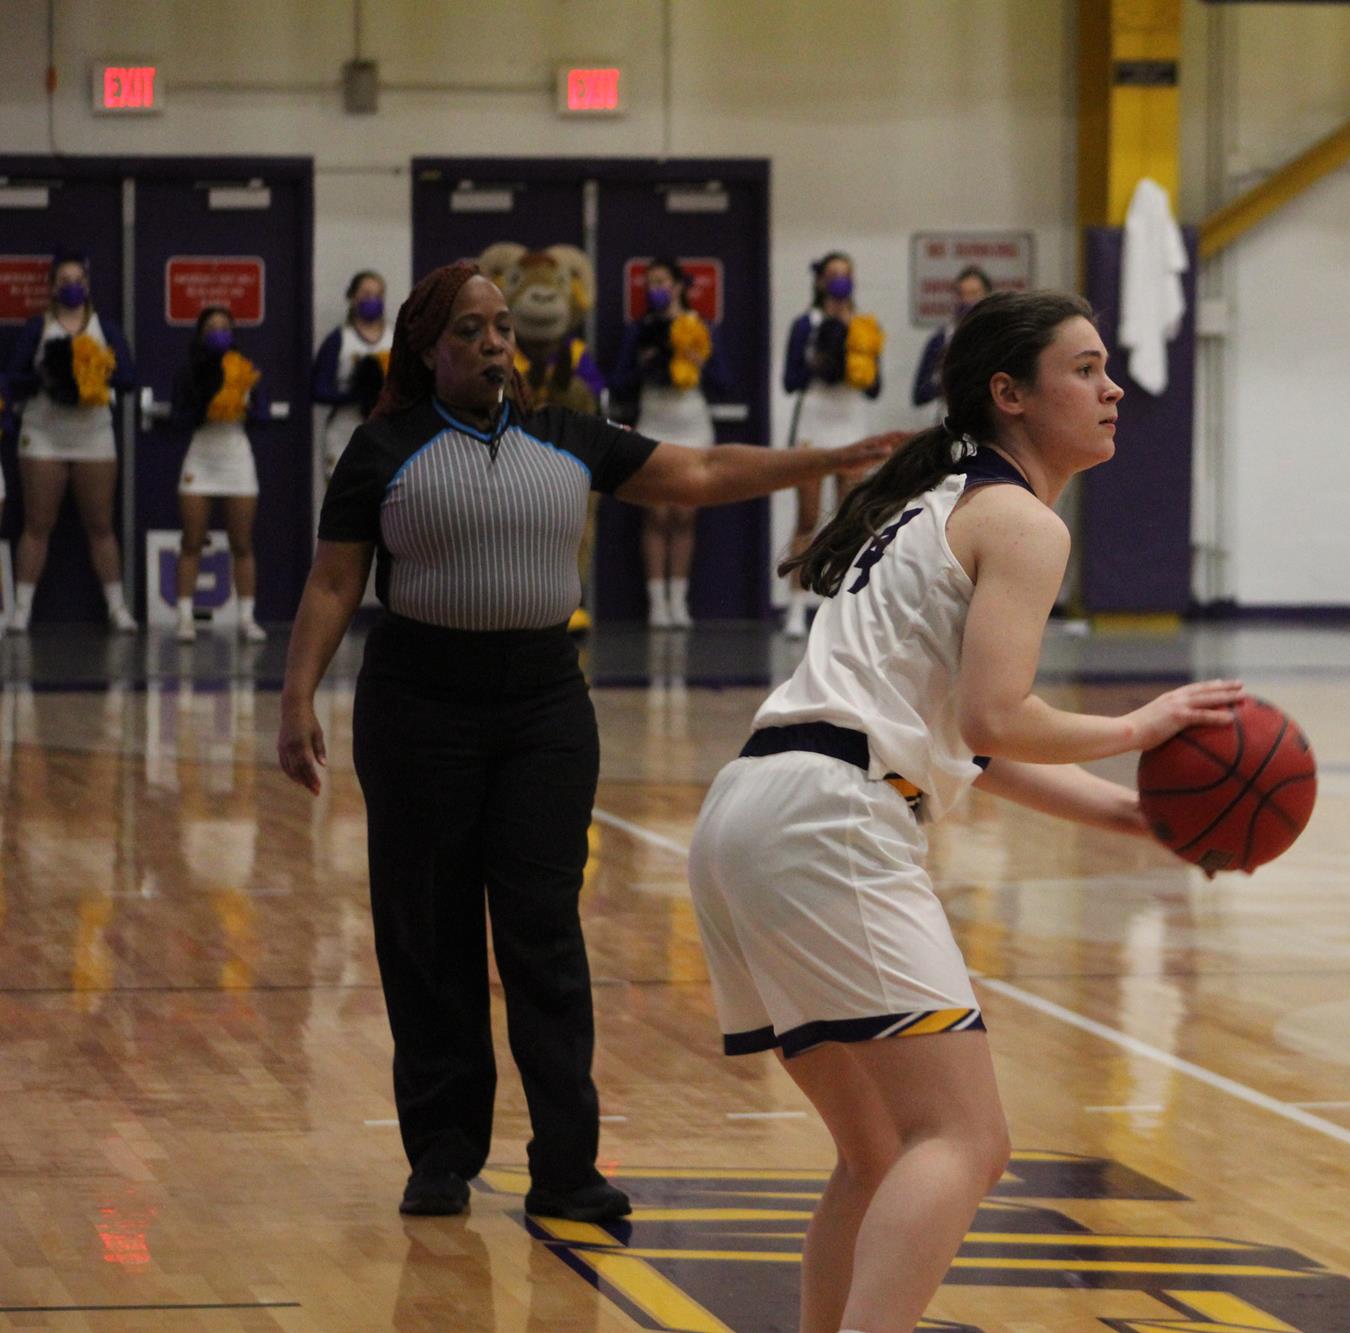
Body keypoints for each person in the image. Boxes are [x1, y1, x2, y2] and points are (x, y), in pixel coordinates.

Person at [273, 261, 895, 1223]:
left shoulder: (567, 436)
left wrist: (828, 460)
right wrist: (296, 695)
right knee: (428, 932)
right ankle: (442, 1152)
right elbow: (330, 581)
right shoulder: (380, 449)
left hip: (542, 709)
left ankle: (566, 1166)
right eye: (472, 331)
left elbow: (696, 472)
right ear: (429, 349)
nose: (493, 345)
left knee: (544, 934)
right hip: (418, 705)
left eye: (502, 331)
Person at [688, 290, 1244, 1333]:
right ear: (1010, 395)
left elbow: (967, 741)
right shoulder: (1020, 523)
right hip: (829, 821)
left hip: (749, 812)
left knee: (878, 1152)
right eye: (1083, 368)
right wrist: (1138, 727)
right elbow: (999, 713)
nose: (1111, 386)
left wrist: (1135, 820)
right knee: (964, 1140)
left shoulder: (931, 503)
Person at [2, 253, 139, 632]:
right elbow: (13, 377)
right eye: (64, 279)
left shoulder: (104, 328)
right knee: (36, 523)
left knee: (100, 524)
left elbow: (128, 376)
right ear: (52, 286)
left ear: (88, 285)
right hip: (43, 433)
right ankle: (22, 609)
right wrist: (48, 376)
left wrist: (93, 379)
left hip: (93, 434)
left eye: (78, 278)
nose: (71, 285)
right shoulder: (37, 327)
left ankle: (117, 608)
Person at [781, 251, 885, 639]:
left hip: (851, 422)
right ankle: (796, 607)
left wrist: (859, 357)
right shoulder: (804, 324)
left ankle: (841, 604)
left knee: (851, 518)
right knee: (808, 518)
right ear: (820, 281)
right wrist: (819, 355)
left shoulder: (865, 324)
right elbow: (789, 381)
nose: (840, 282)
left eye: (847, 274)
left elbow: (875, 389)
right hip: (814, 422)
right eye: (833, 275)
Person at [611, 259, 717, 629]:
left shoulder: (698, 325)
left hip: (692, 423)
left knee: (685, 513)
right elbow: (619, 381)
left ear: (678, 286)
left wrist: (698, 359)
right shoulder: (640, 330)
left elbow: (724, 380)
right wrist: (647, 362)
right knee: (656, 513)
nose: (656, 288)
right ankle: (656, 602)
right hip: (654, 421)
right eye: (650, 282)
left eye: (662, 282)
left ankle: (679, 600)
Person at [169, 306, 268, 642]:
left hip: (236, 456)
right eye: (211, 327)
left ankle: (246, 618)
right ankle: (184, 618)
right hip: (201, 457)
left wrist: (248, 406)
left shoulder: (246, 369)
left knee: (242, 542)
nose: (219, 332)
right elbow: (178, 417)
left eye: (225, 326)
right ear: (200, 333)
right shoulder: (188, 371)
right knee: (192, 540)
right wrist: (205, 402)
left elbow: (262, 413)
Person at [311, 270, 393, 474]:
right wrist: (355, 395)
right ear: (352, 297)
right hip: (344, 431)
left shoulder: (395, 338)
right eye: (366, 294)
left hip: (385, 429)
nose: (372, 299)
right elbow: (318, 390)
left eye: (377, 295)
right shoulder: (339, 339)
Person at [913, 265, 992, 416]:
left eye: (974, 293)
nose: (968, 300)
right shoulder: (941, 339)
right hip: (951, 418)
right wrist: (951, 382)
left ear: (987, 296)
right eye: (963, 294)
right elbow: (919, 395)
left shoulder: (1001, 336)